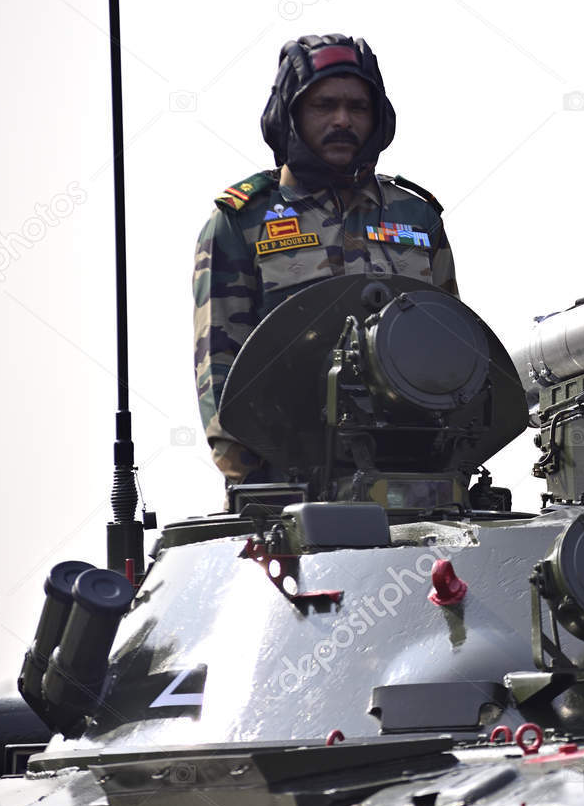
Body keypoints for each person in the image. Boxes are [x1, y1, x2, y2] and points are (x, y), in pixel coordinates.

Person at [193, 34, 458, 482]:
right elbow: (220, 372)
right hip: (288, 484)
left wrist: (448, 473)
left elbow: (451, 354)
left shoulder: (417, 218)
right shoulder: (242, 222)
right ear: (289, 114)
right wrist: (256, 489)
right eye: (324, 105)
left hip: (410, 478)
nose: (342, 120)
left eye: (358, 107)